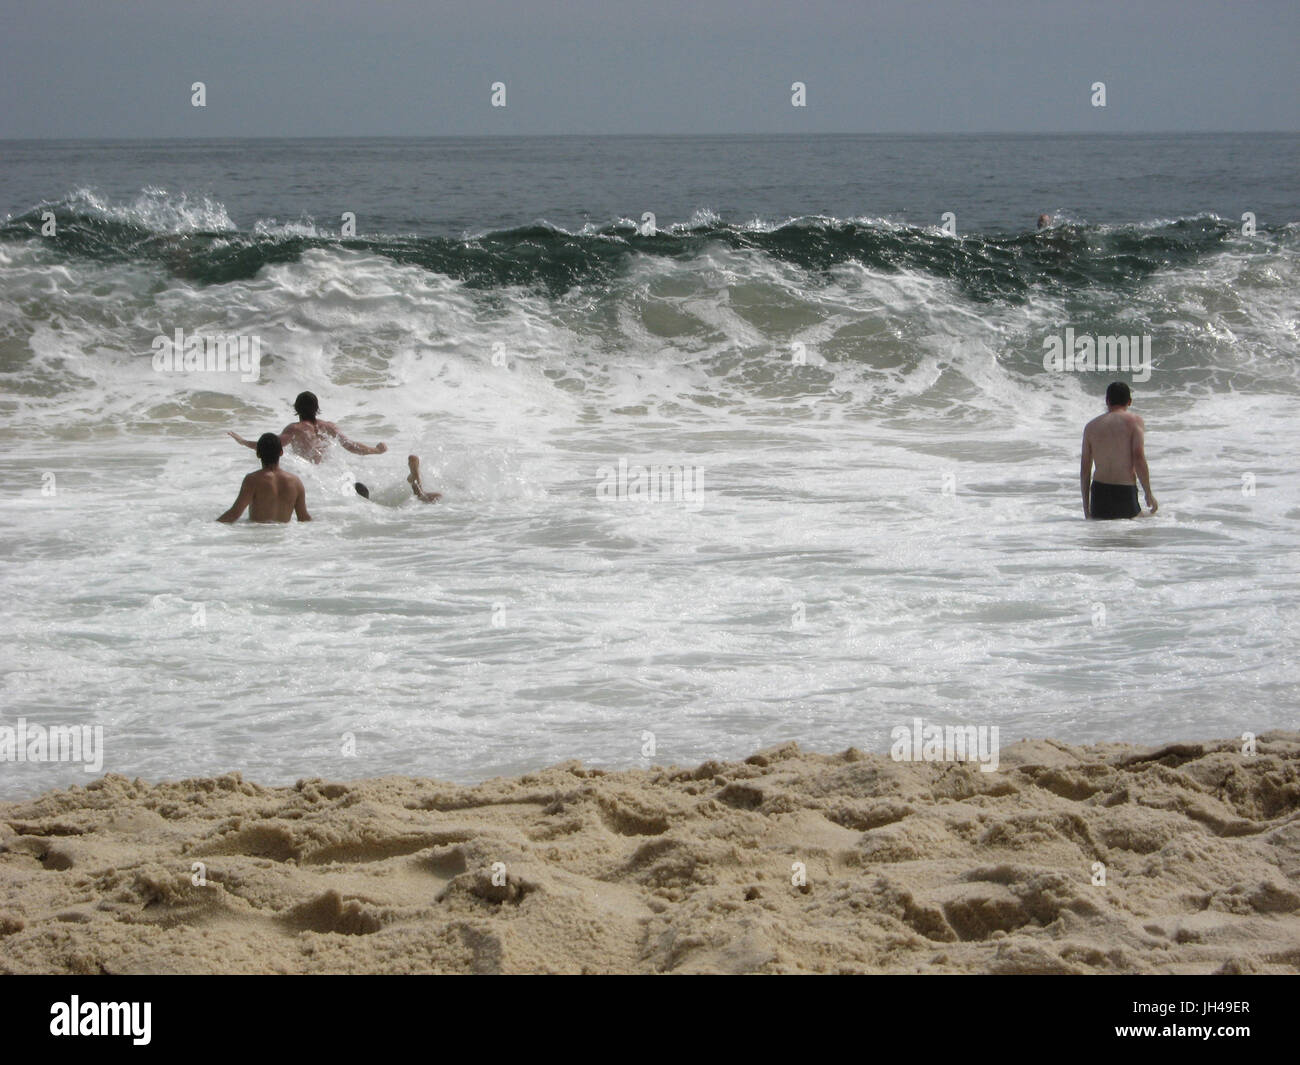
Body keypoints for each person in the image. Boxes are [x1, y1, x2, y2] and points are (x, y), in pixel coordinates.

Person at [228, 391, 387, 463]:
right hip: (327, 474)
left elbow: (271, 447)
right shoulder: (329, 427)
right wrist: (375, 450)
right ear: (317, 407)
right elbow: (349, 445)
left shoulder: (295, 429)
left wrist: (243, 441)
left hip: (309, 478)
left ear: (296, 408)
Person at [1080, 382, 1157, 519]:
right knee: (1136, 532)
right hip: (1124, 491)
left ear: (1107, 401)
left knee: (1103, 537)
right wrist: (1148, 493)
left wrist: (1086, 509)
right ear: (1129, 401)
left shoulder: (1091, 427)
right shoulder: (1134, 422)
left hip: (1099, 493)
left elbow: (1085, 470)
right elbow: (1138, 458)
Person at [217, 433, 312, 523]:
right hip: (283, 537)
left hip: (259, 536)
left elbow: (234, 514)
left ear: (258, 454)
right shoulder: (295, 481)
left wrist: (210, 526)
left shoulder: (253, 480)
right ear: (281, 452)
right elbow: (303, 518)